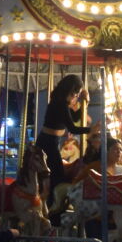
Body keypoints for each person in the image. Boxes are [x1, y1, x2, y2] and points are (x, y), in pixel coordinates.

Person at [38, 75, 86, 203]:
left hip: (51, 140)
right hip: (48, 142)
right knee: (57, 174)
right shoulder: (60, 105)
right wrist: (90, 130)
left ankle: (51, 202)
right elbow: (73, 128)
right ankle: (52, 204)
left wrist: (86, 103)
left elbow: (74, 118)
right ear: (72, 92)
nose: (76, 97)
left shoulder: (60, 103)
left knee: (56, 172)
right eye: (77, 94)